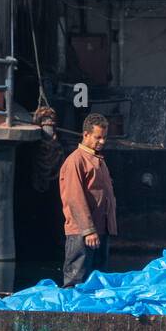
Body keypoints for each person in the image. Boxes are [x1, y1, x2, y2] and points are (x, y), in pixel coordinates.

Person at [59, 112, 117, 287]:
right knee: (76, 279)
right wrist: (88, 230)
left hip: (100, 230)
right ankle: (71, 313)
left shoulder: (98, 160)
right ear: (86, 135)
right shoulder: (75, 161)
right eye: (98, 137)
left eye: (104, 137)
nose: (102, 142)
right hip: (82, 233)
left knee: (97, 280)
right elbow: (74, 198)